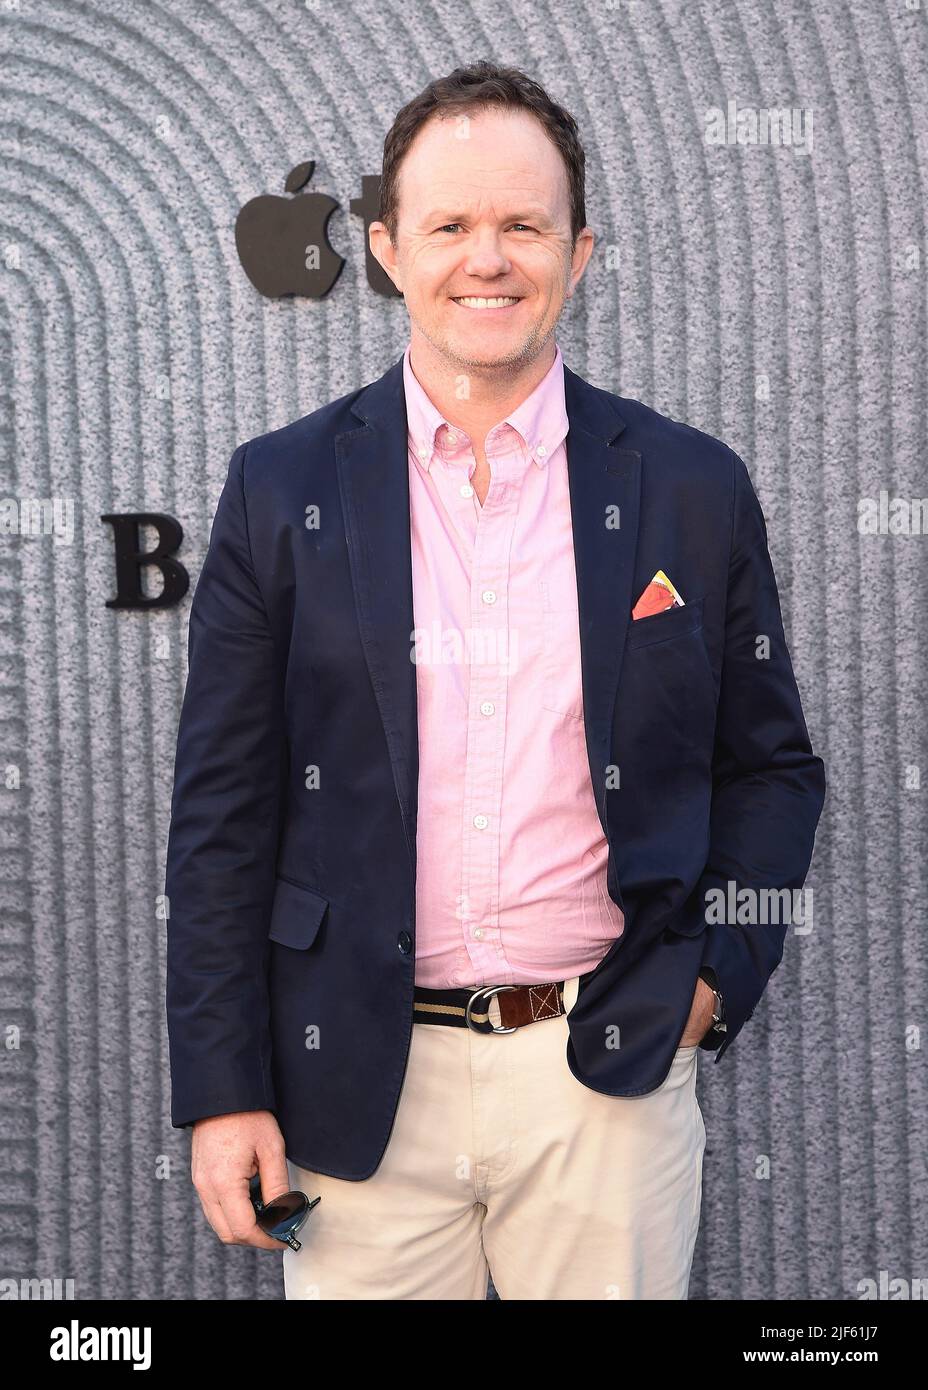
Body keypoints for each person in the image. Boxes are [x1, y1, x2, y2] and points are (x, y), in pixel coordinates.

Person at [165, 60, 826, 1300]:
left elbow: (771, 768)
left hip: (606, 1078)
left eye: (523, 224)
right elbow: (221, 817)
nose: (488, 257)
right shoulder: (279, 487)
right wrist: (225, 1087)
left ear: (579, 254)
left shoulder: (691, 487)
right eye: (451, 225)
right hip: (354, 1088)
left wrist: (708, 984)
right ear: (386, 250)